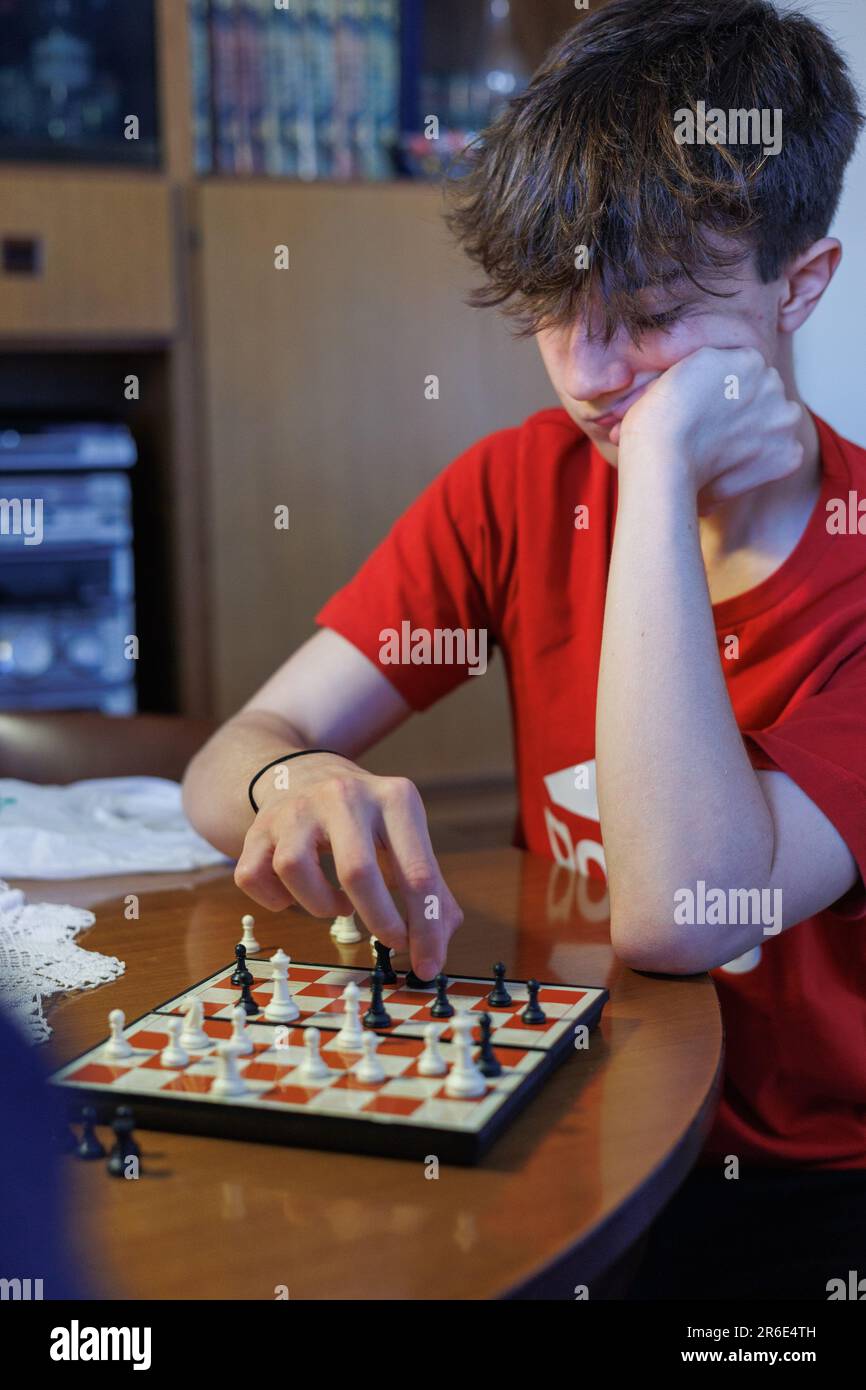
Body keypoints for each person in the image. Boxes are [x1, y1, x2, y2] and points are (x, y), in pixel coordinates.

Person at [183, 0, 866, 1297]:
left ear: (801, 284)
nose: (589, 371)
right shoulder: (514, 489)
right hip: (574, 1103)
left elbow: (674, 912)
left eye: (653, 313)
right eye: (554, 306)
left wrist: (657, 478)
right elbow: (227, 762)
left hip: (805, 1185)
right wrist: (296, 781)